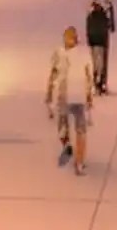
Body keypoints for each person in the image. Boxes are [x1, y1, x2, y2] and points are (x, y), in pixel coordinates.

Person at [46, 27, 93, 176]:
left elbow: (88, 74)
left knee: (74, 129)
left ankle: (77, 158)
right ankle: (75, 156)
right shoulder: (66, 53)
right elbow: (89, 75)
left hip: (69, 96)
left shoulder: (66, 53)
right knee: (75, 130)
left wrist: (49, 92)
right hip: (71, 96)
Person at [85, 0, 111, 96]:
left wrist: (89, 40)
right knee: (101, 63)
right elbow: (109, 26)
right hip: (101, 42)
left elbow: (88, 29)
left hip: (95, 42)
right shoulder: (103, 15)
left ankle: (97, 81)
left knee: (96, 63)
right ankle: (100, 82)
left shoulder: (90, 16)